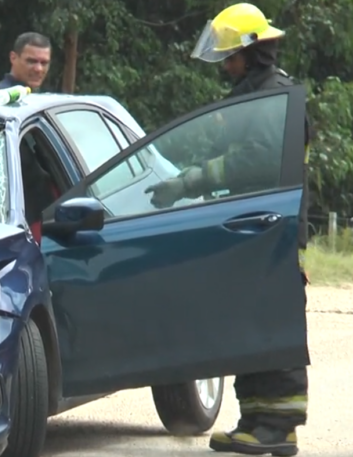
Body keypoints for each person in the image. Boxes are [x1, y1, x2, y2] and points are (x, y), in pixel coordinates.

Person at [145, 3, 309, 456]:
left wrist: (190, 181)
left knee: (271, 324)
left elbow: (253, 162)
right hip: (255, 227)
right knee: (251, 324)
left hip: (270, 230)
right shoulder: (258, 94)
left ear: (251, 52)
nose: (226, 63)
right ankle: (258, 422)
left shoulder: (272, 98)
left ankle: (278, 427)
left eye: (230, 54)